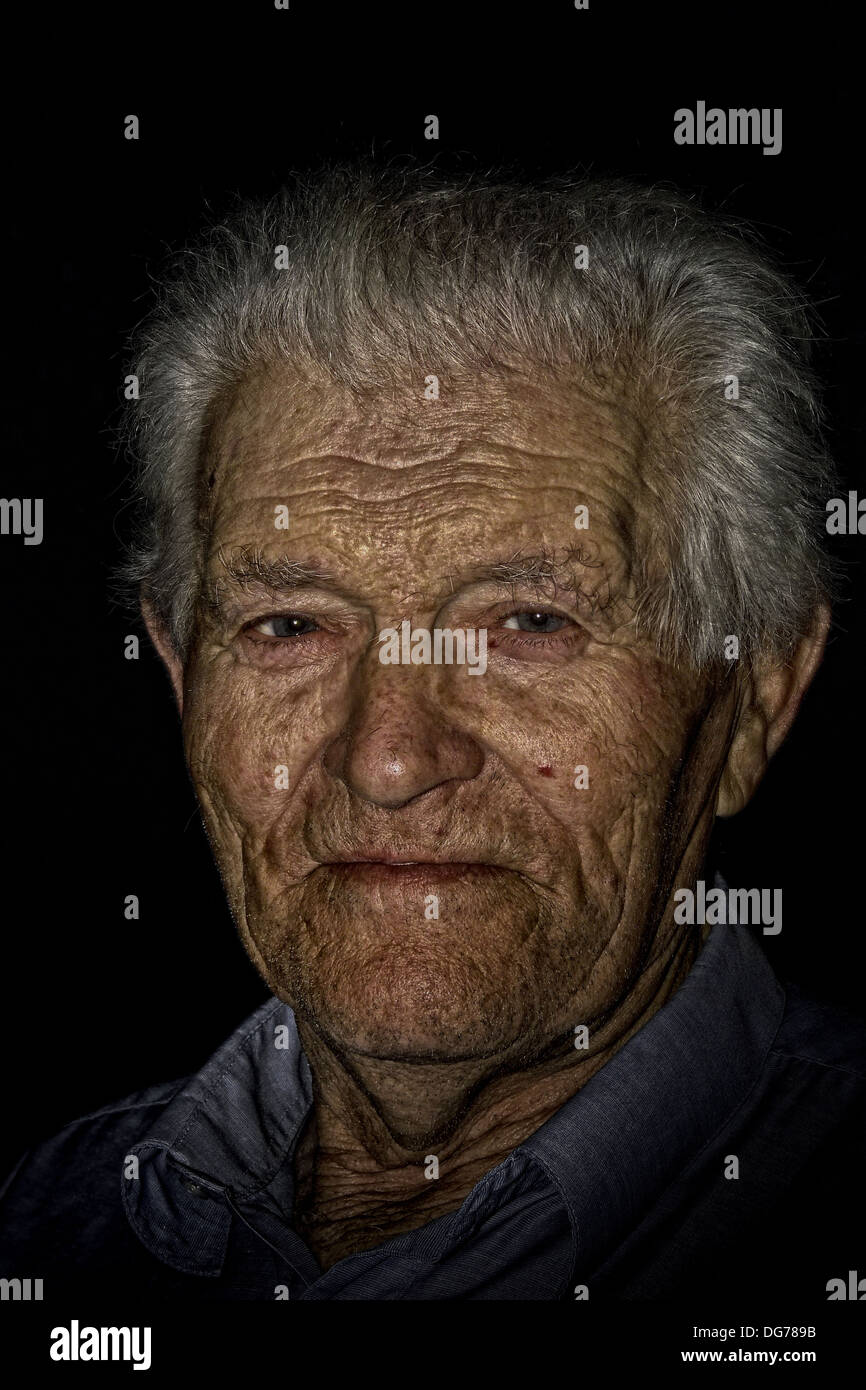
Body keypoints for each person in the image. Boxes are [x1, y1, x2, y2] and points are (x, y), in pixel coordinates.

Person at [2, 163, 863, 1301]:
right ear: (178, 675)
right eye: (291, 623)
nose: (390, 756)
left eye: (526, 621)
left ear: (755, 693)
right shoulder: (46, 1221)